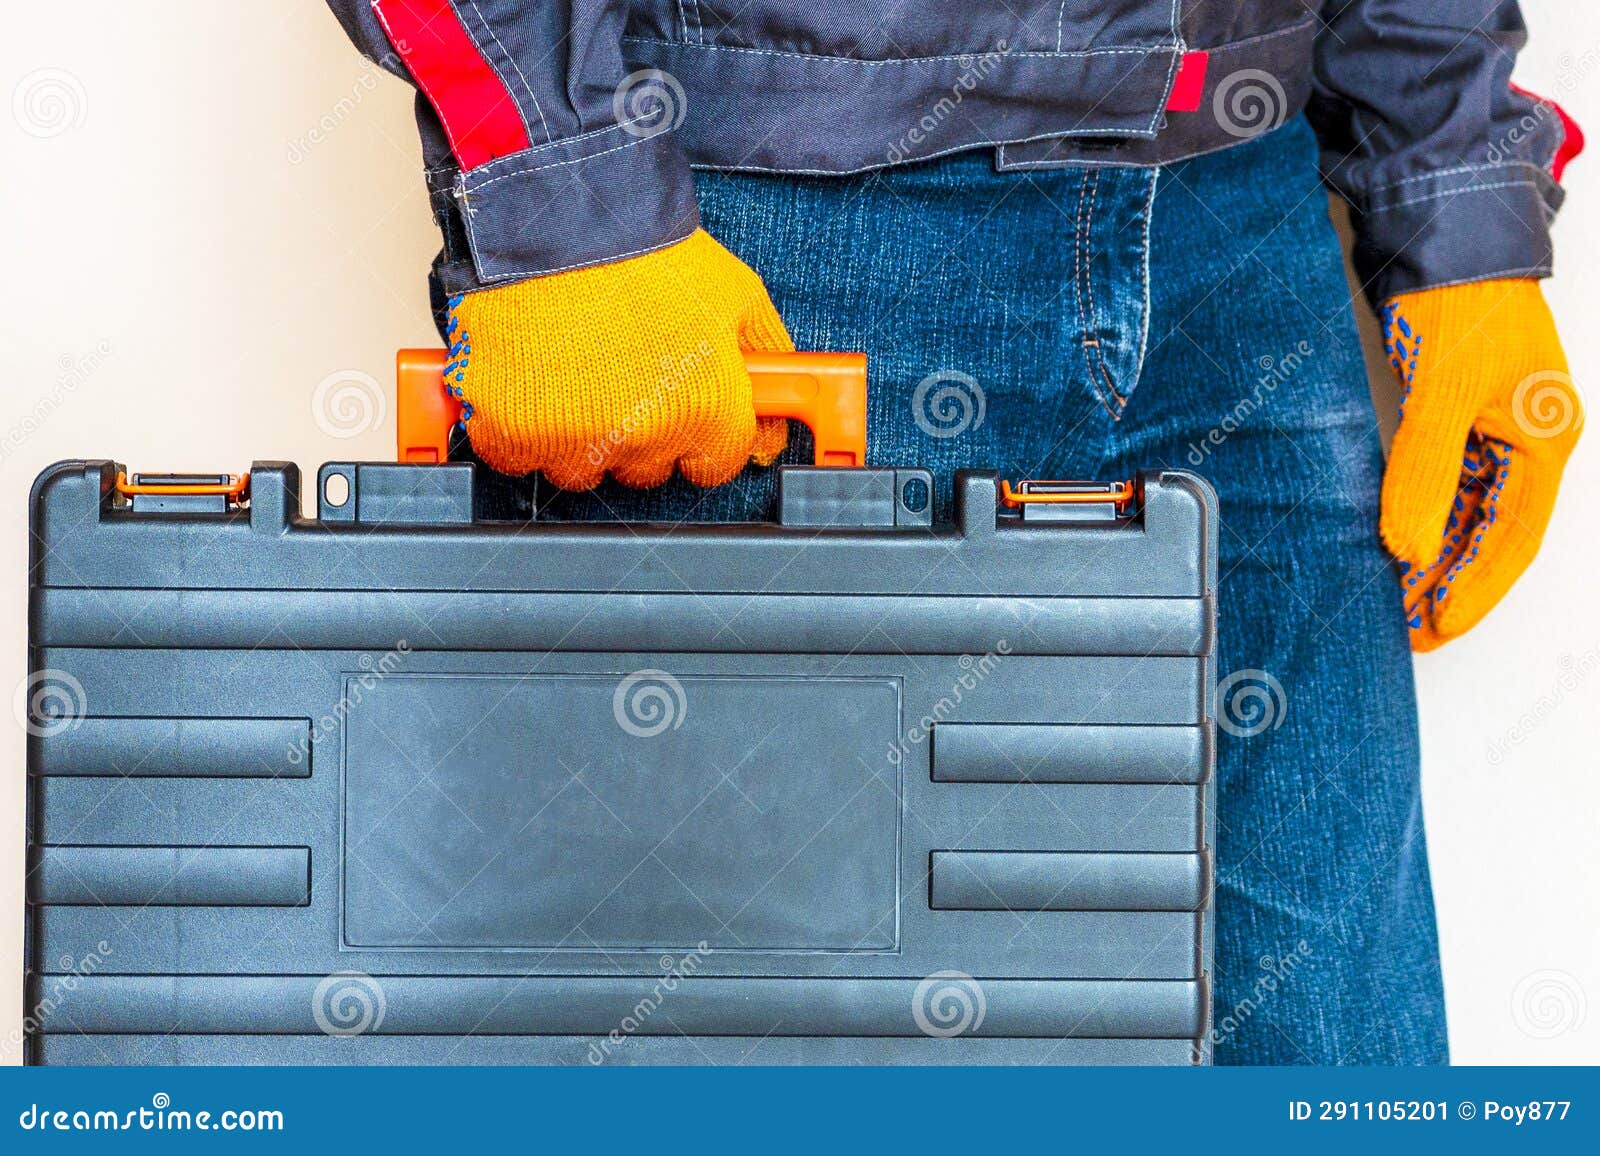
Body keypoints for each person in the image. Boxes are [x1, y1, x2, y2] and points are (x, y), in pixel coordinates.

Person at [327, 1, 1583, 1063]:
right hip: (767, 221)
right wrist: (565, 184)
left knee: (1332, 1060)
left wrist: (1453, 184)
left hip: (1240, 222)